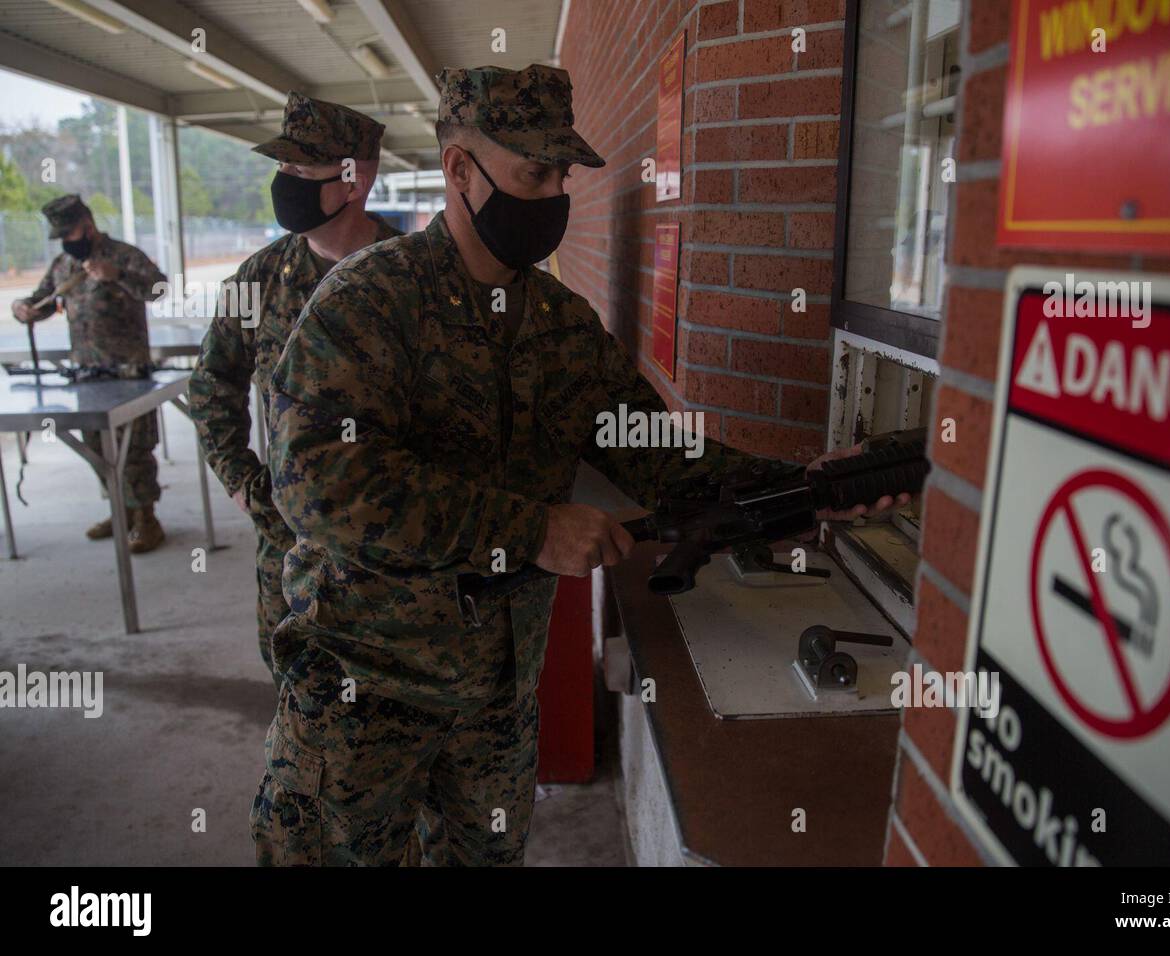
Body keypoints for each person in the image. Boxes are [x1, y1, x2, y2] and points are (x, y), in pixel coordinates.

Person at [251, 64, 906, 866]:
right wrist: (528, 530)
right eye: (534, 171)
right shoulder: (369, 301)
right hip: (363, 692)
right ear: (460, 170)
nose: (554, 193)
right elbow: (317, 483)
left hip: (496, 697)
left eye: (562, 173)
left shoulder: (561, 325)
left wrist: (809, 487)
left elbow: (663, 456)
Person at [188, 92, 401, 682]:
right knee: (299, 692)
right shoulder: (258, 279)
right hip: (292, 543)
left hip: (397, 549)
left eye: (302, 171)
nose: (285, 183)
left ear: (354, 181)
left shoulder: (414, 273)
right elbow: (211, 380)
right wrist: (241, 482)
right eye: (282, 169)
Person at [11, 194, 167, 552]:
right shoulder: (64, 265)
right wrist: (23, 309)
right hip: (87, 373)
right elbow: (43, 301)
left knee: (135, 448)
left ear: (88, 226)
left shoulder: (123, 255)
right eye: (62, 237)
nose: (68, 241)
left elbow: (159, 289)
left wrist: (120, 276)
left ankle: (147, 519)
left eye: (71, 233)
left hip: (128, 371)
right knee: (97, 447)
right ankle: (121, 512)